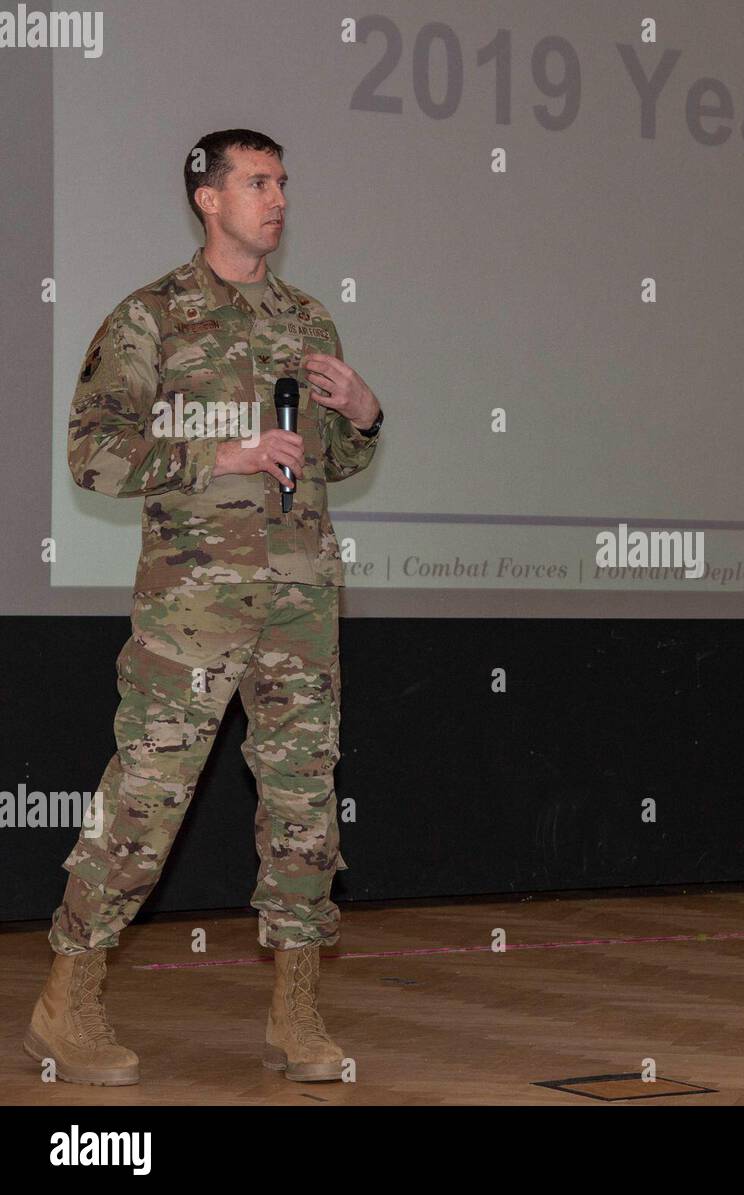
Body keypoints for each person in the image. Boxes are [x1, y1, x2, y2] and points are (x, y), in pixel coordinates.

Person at [24, 129, 384, 1085]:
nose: (278, 199)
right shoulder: (151, 319)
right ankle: (69, 996)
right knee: (146, 799)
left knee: (305, 802)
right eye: (257, 183)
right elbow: (91, 455)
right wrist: (214, 457)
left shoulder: (310, 320)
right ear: (207, 199)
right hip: (195, 611)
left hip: (300, 601)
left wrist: (362, 414)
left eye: (283, 184)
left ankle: (296, 1009)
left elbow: (330, 465)